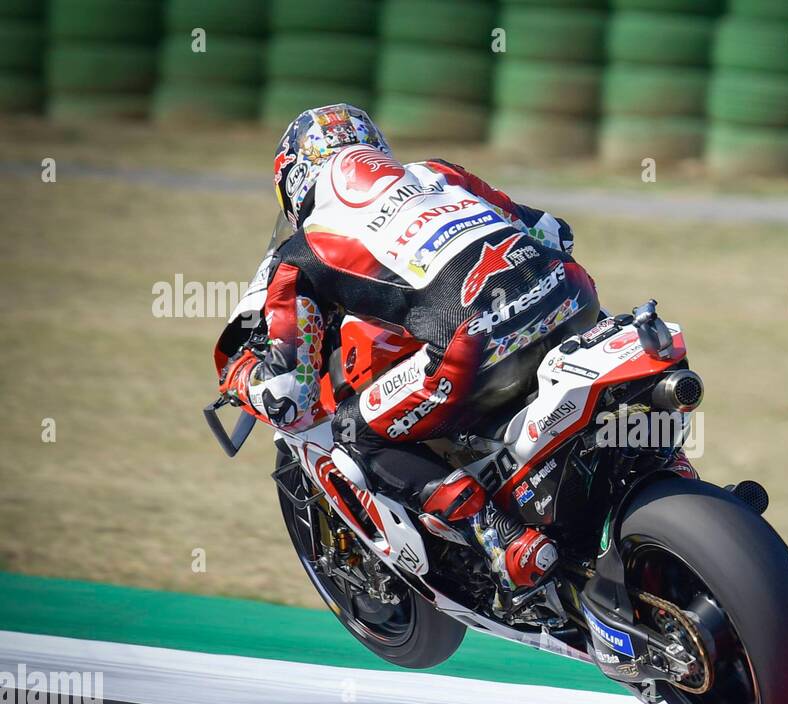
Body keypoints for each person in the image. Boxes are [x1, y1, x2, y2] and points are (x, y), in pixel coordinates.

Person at [214, 104, 600, 595]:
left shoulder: (303, 251)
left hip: (473, 346)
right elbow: (554, 232)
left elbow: (290, 394)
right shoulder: (440, 173)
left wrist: (243, 378)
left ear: (293, 185)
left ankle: (498, 536)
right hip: (573, 298)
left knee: (350, 434)